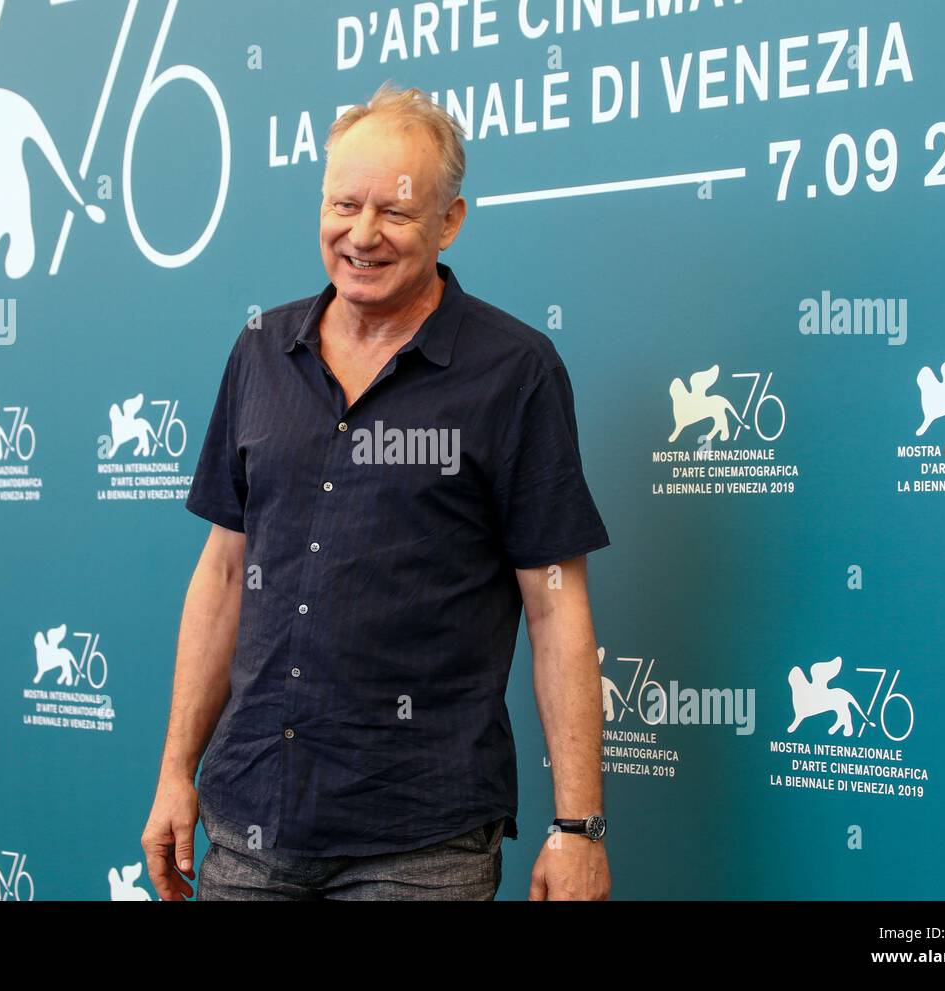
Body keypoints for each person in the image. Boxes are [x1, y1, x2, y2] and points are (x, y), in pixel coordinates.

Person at [142, 81, 612, 901]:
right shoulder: (260, 351)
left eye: (394, 212)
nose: (362, 234)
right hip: (253, 820)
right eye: (343, 204)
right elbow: (223, 573)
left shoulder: (516, 371)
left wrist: (578, 828)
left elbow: (556, 604)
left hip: (421, 841)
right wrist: (176, 772)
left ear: (449, 221)